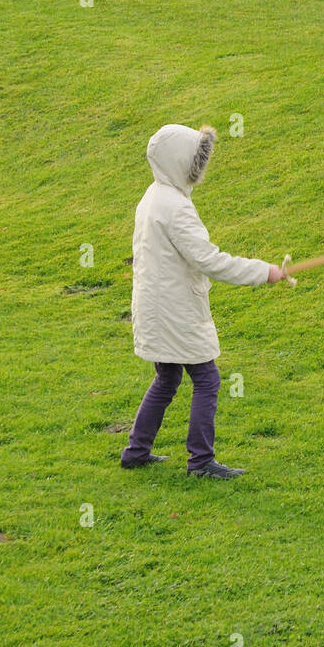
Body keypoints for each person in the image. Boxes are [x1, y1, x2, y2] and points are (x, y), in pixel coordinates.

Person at [122, 123, 282, 478]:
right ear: (180, 162)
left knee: (167, 378)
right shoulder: (175, 208)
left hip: (156, 305)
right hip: (174, 310)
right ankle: (201, 462)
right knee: (207, 378)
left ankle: (136, 451)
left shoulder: (154, 195)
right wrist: (264, 272)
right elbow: (209, 260)